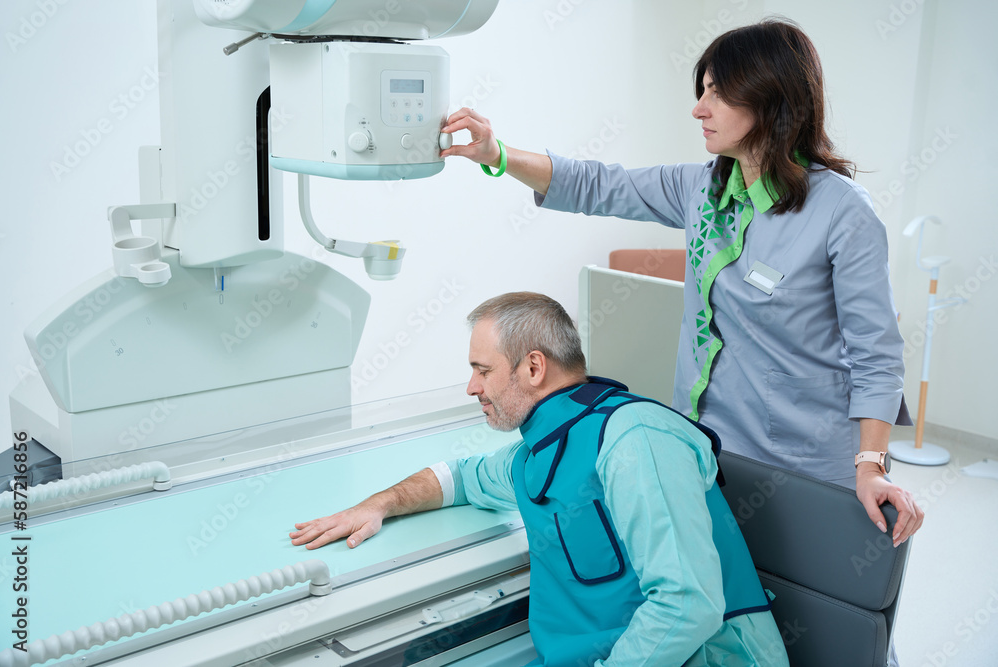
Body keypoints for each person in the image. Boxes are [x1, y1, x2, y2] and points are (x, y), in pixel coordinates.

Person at [437, 19, 924, 551]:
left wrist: (871, 464)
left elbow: (877, 354)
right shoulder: (702, 190)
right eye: (703, 90)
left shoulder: (842, 212)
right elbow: (597, 183)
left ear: (770, 99)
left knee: (822, 617)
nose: (699, 107)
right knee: (735, 596)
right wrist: (497, 154)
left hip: (811, 462)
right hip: (711, 447)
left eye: (718, 92)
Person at [291, 292, 789, 667]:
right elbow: (460, 479)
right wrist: (378, 504)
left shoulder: (635, 438)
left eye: (482, 371)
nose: (471, 387)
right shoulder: (540, 452)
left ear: (532, 367)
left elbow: (687, 606)